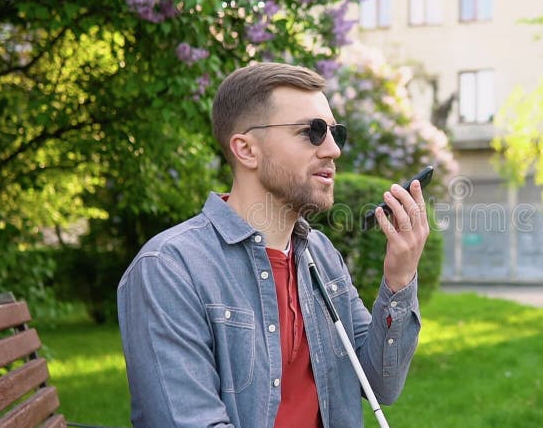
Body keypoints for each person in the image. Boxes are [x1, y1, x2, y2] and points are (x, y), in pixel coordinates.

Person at [117, 62, 428, 427]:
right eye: (312, 132)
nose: (333, 150)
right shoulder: (170, 269)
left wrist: (399, 278)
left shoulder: (321, 254)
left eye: (335, 133)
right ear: (247, 150)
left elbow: (380, 383)